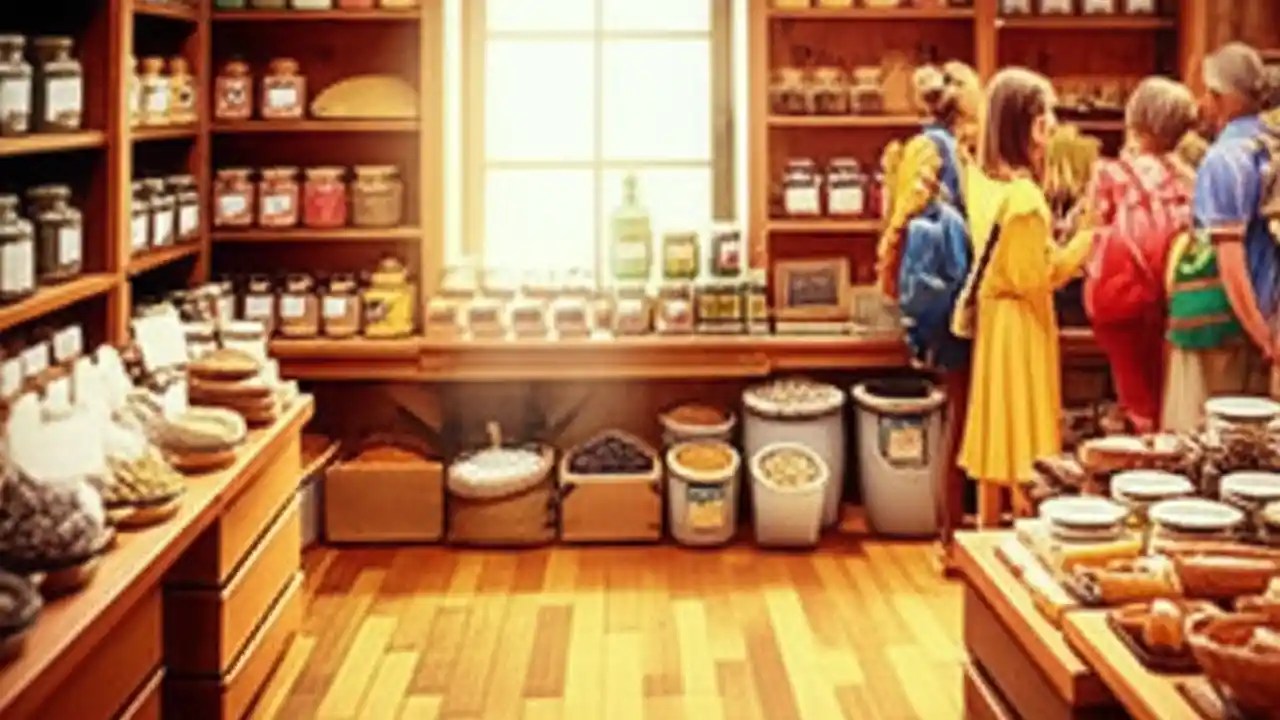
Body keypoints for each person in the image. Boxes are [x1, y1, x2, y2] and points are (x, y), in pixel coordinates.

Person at [954, 68, 1094, 525]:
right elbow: (1043, 274)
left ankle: (986, 534)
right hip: (1024, 325)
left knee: (997, 433)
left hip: (996, 322)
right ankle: (1027, 538)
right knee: (1027, 441)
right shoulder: (1026, 200)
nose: (1054, 123)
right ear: (1032, 125)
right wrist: (1087, 239)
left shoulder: (982, 182)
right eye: (1047, 113)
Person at [874, 61, 981, 566]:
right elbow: (902, 224)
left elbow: (896, 225)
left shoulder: (936, 147)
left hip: (954, 295)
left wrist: (890, 284)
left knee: (960, 420)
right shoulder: (945, 150)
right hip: (958, 299)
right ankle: (952, 536)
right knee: (958, 419)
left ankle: (959, 534)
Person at [1164, 43, 1279, 431]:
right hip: (1265, 311)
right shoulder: (1269, 145)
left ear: (1222, 99)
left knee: (1206, 436)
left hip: (1223, 326)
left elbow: (1229, 256)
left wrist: (1262, 336)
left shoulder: (1224, 158)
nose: (1203, 104)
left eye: (1208, 94)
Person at [1084, 78, 1197, 432]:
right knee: (1166, 391)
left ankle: (1139, 455)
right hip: (1173, 296)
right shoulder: (1191, 179)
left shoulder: (1112, 174)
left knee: (1134, 395)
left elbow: (1088, 230)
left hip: (1120, 296)